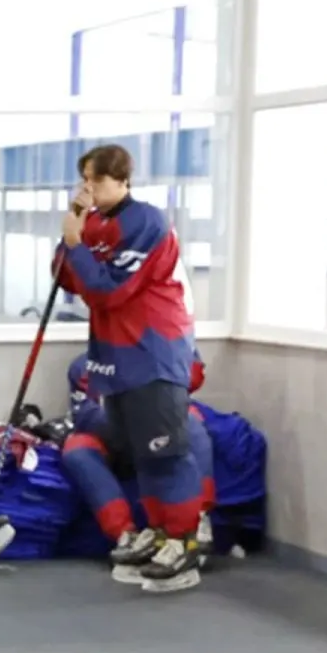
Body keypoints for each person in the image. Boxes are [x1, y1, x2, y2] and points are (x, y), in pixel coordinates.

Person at [53, 142, 203, 591]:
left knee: (167, 453)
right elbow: (68, 280)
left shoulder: (147, 222)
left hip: (153, 353)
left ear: (122, 180)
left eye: (97, 180)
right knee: (144, 457)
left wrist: (77, 246)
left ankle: (184, 540)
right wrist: (70, 237)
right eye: (85, 180)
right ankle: (159, 534)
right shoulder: (93, 224)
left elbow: (106, 290)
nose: (90, 189)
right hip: (115, 360)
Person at [60, 351, 215, 589]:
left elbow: (188, 382)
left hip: (159, 425)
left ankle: (199, 520)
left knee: (190, 420)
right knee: (76, 448)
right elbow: (85, 416)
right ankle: (126, 536)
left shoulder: (166, 344)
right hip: (115, 437)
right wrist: (129, 422)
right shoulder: (84, 366)